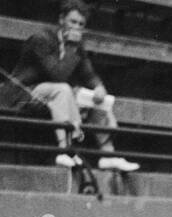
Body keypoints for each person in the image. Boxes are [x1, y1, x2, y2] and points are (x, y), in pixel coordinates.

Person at [0, 1, 139, 171]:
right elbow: (57, 74)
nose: (76, 27)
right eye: (72, 22)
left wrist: (99, 88)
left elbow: (89, 74)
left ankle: (108, 156)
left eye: (81, 24)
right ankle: (64, 151)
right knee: (63, 89)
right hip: (22, 95)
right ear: (61, 20)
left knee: (101, 101)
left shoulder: (76, 46)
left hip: (52, 96)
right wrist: (72, 48)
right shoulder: (41, 40)